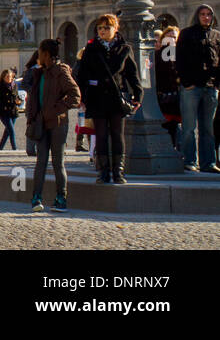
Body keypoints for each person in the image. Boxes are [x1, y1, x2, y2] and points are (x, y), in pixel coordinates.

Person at [75, 13, 141, 185]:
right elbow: (82, 74)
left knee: (117, 135)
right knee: (101, 135)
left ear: (115, 29)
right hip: (97, 97)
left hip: (116, 97)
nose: (102, 31)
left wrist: (137, 94)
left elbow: (132, 74)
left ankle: (118, 171)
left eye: (106, 27)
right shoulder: (91, 49)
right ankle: (103, 172)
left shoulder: (124, 48)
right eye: (100, 28)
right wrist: (81, 95)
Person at [26, 38, 81, 212]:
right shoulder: (39, 73)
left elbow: (75, 95)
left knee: (58, 162)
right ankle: (36, 198)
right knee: (40, 161)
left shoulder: (60, 71)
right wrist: (32, 117)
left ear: (46, 54)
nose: (37, 56)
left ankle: (61, 198)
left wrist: (56, 109)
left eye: (40, 52)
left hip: (57, 123)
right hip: (41, 123)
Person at [176, 4, 220, 172]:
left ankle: (208, 163)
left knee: (208, 128)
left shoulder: (217, 35)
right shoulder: (186, 34)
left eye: (209, 14)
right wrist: (186, 83)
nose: (206, 17)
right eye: (202, 14)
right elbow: (179, 60)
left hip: (210, 87)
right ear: (197, 16)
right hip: (191, 87)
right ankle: (190, 161)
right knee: (189, 128)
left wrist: (217, 84)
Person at [155, 25, 182, 151]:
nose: (172, 39)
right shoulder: (158, 54)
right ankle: (166, 150)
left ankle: (176, 151)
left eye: (174, 37)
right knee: (165, 125)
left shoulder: (180, 55)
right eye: (169, 36)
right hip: (163, 95)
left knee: (176, 126)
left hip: (177, 95)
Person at [0, 69, 20, 150]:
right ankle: (15, 148)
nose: (9, 78)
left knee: (7, 132)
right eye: (7, 77)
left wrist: (18, 101)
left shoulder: (14, 85)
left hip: (13, 111)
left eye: (10, 77)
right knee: (11, 131)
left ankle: (0, 147)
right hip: (4, 112)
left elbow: (17, 96)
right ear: (3, 77)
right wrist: (2, 106)